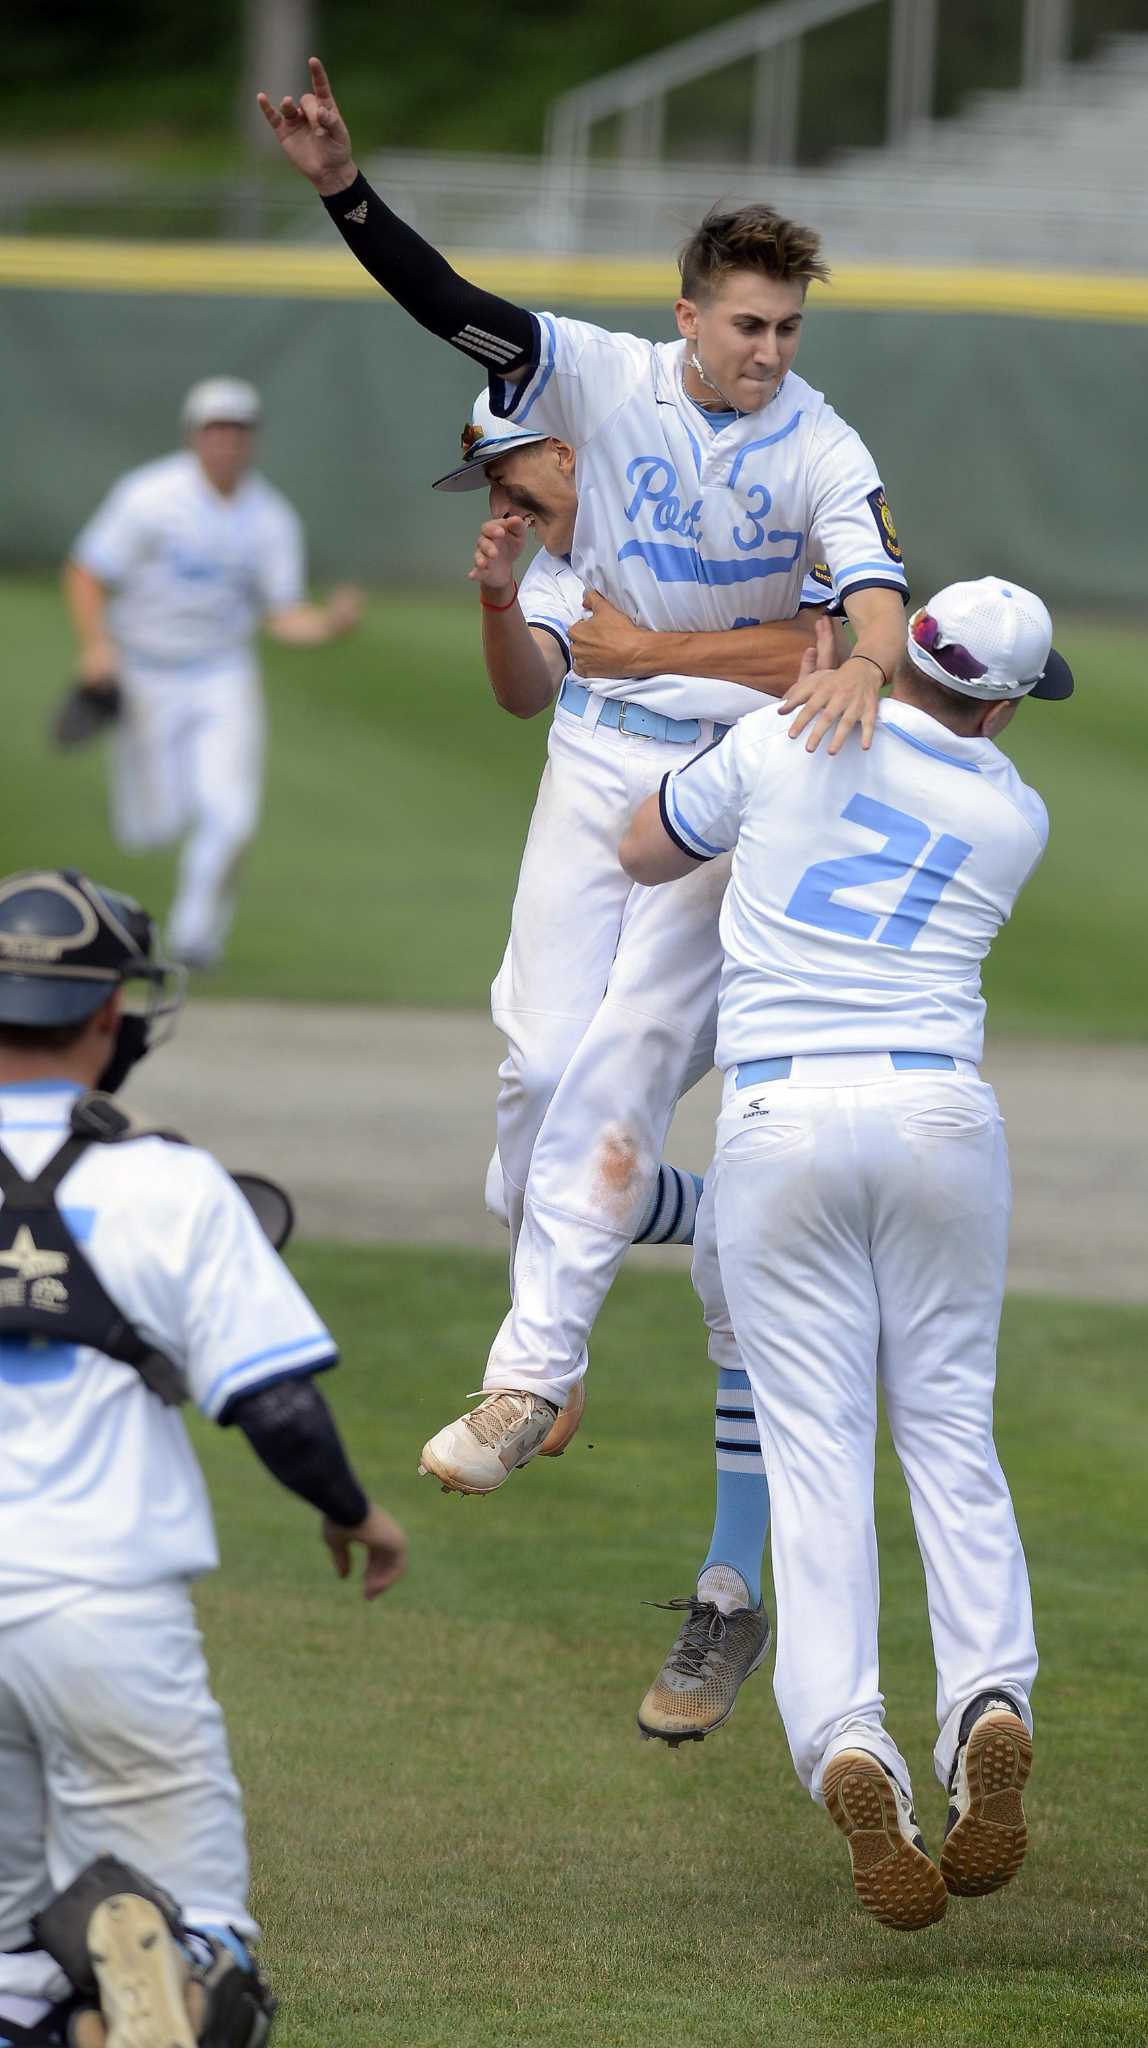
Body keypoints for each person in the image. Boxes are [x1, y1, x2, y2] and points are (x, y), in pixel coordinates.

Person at [620, 578, 1068, 1927]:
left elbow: (642, 846)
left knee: (816, 1459)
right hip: (939, 1116)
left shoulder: (780, 739)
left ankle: (848, 1743)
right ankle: (986, 1700)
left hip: (782, 1114)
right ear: (996, 706)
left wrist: (794, 689)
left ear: (904, 650)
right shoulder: (1013, 814)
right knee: (950, 1434)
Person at [435, 394, 847, 1739]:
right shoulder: (561, 551)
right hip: (601, 781)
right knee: (544, 1080)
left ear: (576, 441)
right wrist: (500, 595)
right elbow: (530, 686)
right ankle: (568, 1307)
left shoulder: (741, 500)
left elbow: (826, 654)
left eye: (516, 472)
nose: (506, 497)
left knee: (626, 1090)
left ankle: (544, 1382)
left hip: (735, 817)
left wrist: (656, 649)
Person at [0, 868, 407, 2045]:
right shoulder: (169, 1183)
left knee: (11, 1959)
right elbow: (276, 1406)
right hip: (104, 1607)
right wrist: (353, 1510)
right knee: (209, 1953)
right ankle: (172, 1962)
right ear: (109, 1016)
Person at [63, 378, 364, 972]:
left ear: (252, 440)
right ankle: (177, 901)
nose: (226, 442)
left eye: (238, 430)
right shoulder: (149, 496)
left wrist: (329, 623)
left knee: (231, 815)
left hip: (222, 673)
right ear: (194, 436)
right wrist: (96, 647)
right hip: (144, 672)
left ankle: (194, 938)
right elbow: (87, 569)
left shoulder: (269, 517)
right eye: (215, 429)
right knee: (151, 827)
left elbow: (282, 615)